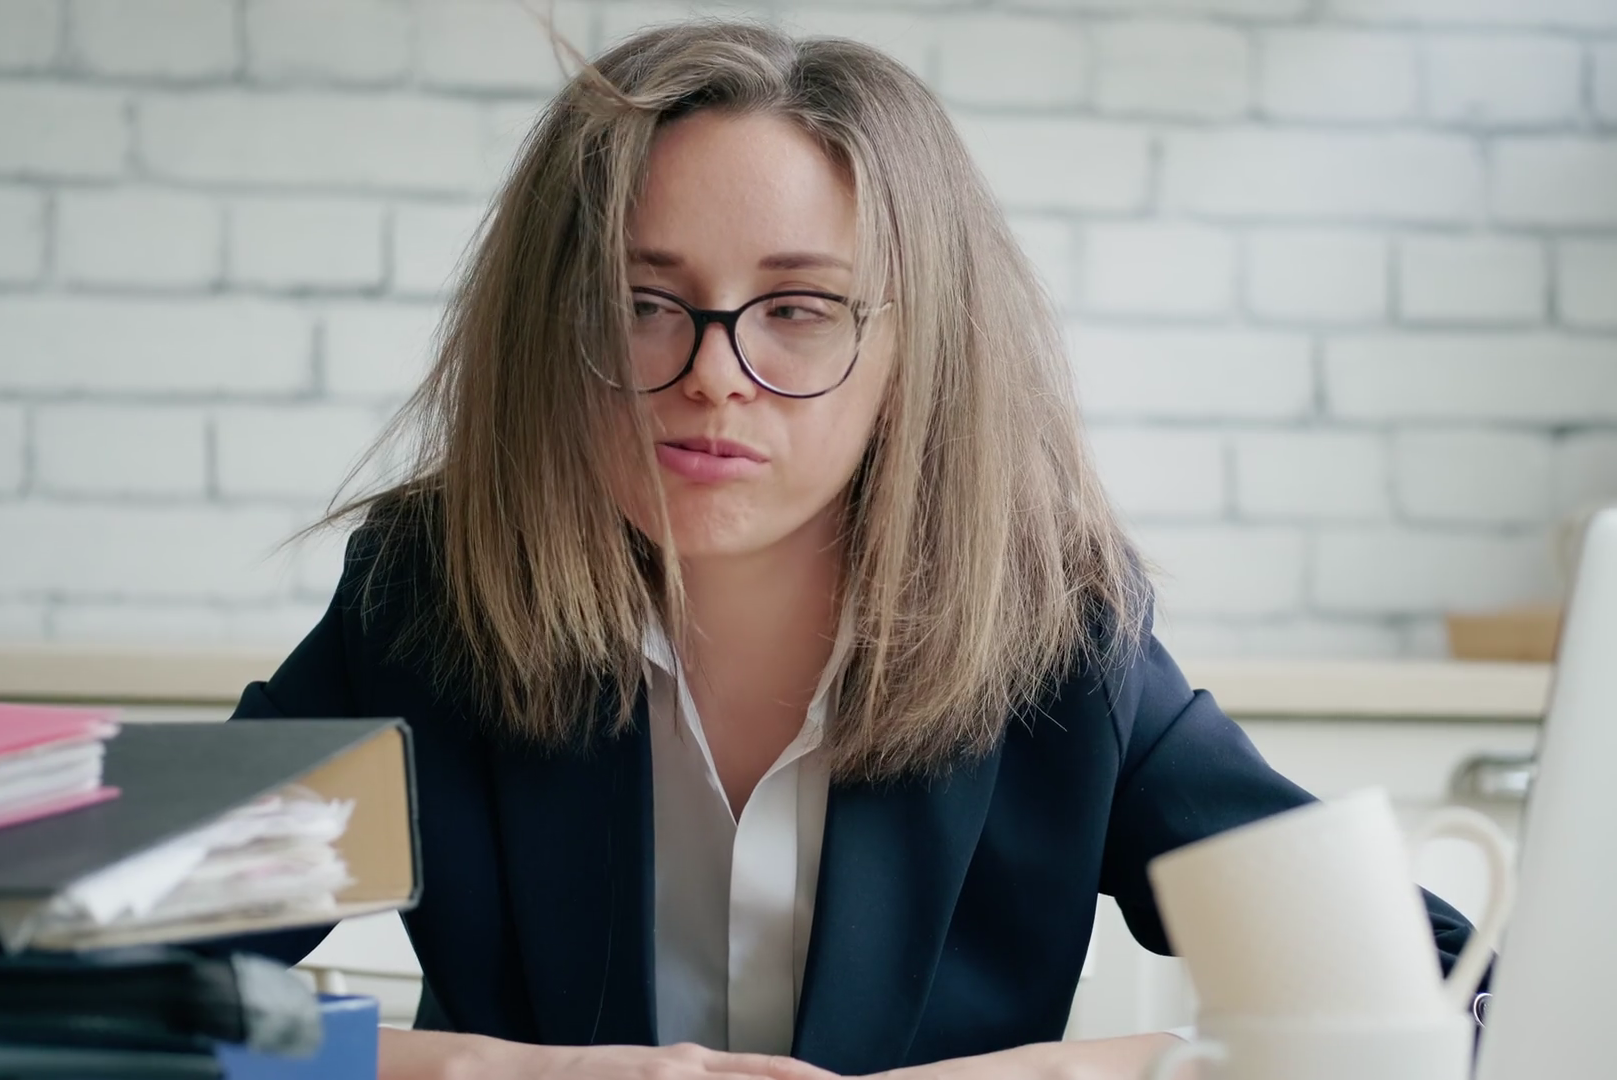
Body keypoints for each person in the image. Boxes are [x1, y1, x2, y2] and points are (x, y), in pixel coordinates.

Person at [228, 20, 1481, 1080]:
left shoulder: (1056, 644)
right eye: (641, 304)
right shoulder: (419, 603)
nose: (713, 378)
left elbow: (1441, 1003)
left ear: (910, 353)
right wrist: (482, 1068)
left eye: (799, 311)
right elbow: (84, 990)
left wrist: (1111, 1067)